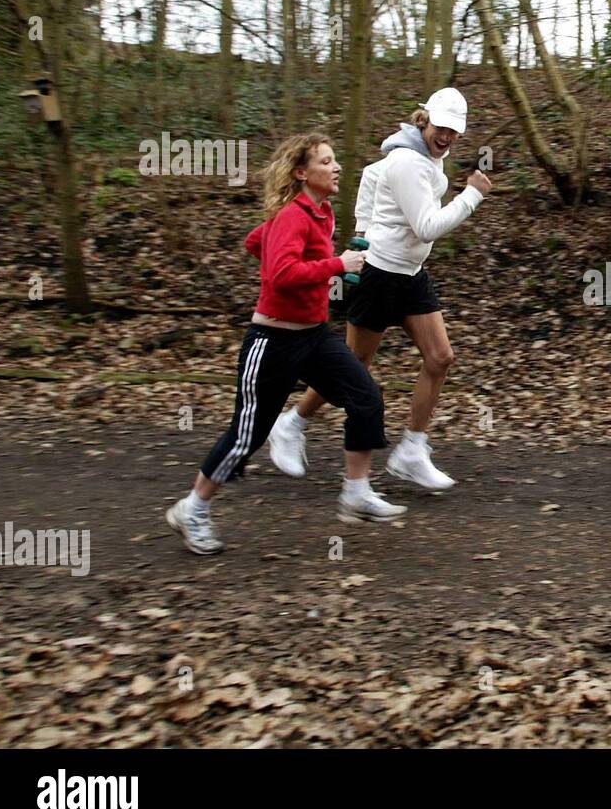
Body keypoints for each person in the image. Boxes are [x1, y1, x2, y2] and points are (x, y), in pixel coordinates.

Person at [165, 133, 404, 556]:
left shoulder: (321, 213)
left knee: (365, 395)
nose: (336, 168)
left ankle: (356, 492)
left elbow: (255, 241)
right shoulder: (294, 216)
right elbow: (280, 275)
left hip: (312, 336)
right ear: (301, 172)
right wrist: (338, 264)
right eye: (326, 161)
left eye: (335, 160)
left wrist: (313, 261)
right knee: (246, 436)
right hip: (272, 341)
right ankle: (193, 507)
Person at [265, 88, 492, 491]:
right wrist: (472, 196)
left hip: (410, 272)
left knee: (440, 358)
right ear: (425, 119)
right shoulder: (408, 162)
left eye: (454, 131)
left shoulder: (413, 157)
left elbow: (371, 176)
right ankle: (291, 424)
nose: (447, 137)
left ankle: (411, 449)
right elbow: (426, 226)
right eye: (441, 128)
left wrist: (362, 231)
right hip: (381, 274)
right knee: (355, 365)